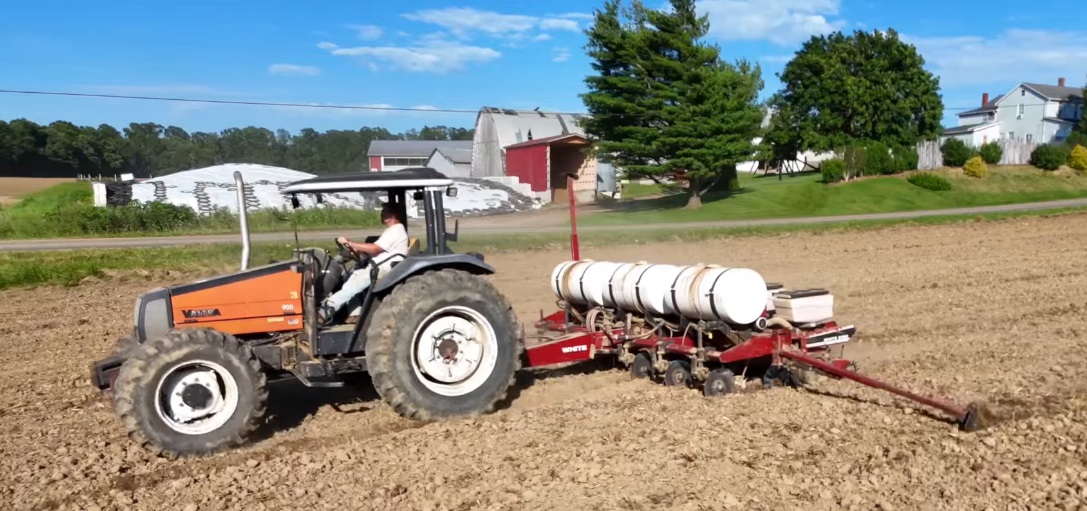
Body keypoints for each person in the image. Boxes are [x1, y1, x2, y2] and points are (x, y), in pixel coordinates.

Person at [318, 202, 409, 324]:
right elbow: (376, 249)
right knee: (349, 277)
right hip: (379, 265)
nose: (382, 214)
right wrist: (355, 248)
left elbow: (374, 248)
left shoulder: (396, 230)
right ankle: (354, 314)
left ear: (393, 214)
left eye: (385, 211)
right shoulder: (392, 230)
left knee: (352, 286)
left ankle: (323, 313)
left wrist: (350, 243)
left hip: (382, 268)